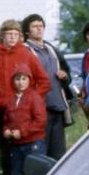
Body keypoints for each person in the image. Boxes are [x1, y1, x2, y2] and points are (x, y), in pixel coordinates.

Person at [0, 19, 50, 175]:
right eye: (9, 34)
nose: (13, 37)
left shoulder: (26, 54)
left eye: (16, 34)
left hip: (24, 113)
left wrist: (30, 100)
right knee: (6, 154)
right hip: (2, 113)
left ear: (21, 36)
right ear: (2, 35)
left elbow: (44, 81)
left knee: (26, 152)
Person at [23, 13, 71, 160]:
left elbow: (65, 69)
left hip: (56, 105)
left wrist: (65, 76)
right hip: (39, 108)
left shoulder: (51, 49)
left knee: (58, 153)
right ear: (27, 32)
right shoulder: (25, 50)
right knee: (40, 153)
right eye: (34, 26)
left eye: (41, 26)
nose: (39, 29)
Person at [1, 70, 48, 175]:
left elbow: (40, 121)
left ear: (29, 80)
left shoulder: (34, 97)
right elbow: (6, 120)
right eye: (17, 79)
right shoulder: (11, 99)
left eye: (24, 79)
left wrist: (22, 132)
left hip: (33, 144)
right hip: (16, 145)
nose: (20, 82)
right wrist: (6, 130)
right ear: (13, 81)